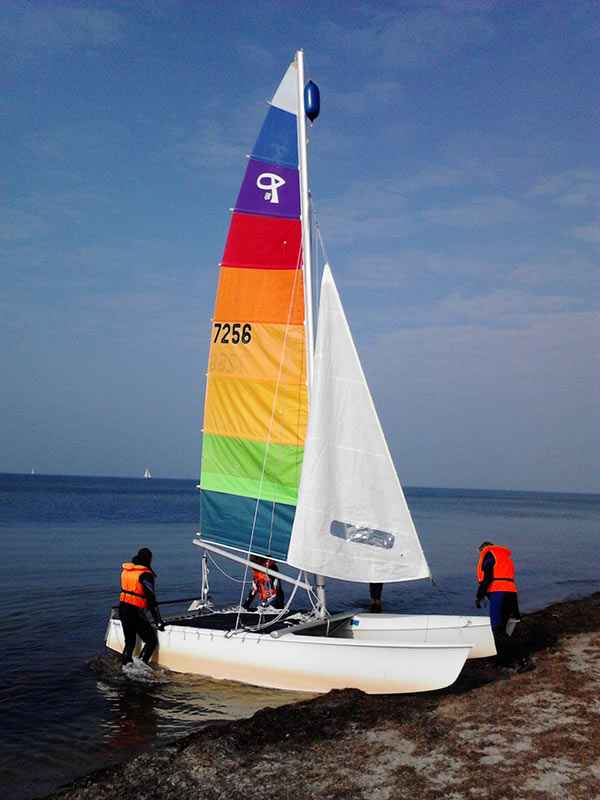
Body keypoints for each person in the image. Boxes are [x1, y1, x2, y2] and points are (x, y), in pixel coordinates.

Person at [476, 540, 531, 670]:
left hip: (499, 594)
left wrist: (479, 595)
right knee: (504, 629)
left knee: (498, 631)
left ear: (483, 549)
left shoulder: (488, 555)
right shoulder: (504, 557)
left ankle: (523, 657)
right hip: (511, 593)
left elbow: (488, 578)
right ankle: (503, 661)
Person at [119, 547, 164, 666]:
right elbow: (151, 600)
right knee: (151, 641)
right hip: (134, 612)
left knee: (129, 642)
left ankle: (125, 666)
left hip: (122, 609)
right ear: (149, 559)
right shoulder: (145, 575)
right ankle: (141, 666)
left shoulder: (126, 571)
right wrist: (158, 621)